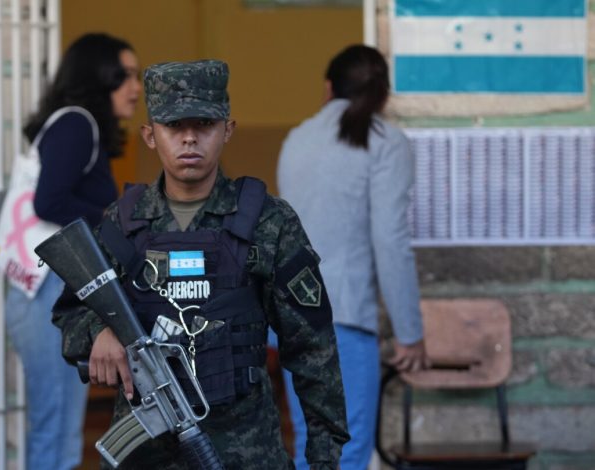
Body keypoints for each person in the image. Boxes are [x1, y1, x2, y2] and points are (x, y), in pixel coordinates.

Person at [51, 59, 349, 469]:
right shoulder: (121, 223)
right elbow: (70, 309)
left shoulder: (268, 221)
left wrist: (324, 458)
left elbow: (314, 351)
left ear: (227, 130)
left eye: (204, 125)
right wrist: (97, 331)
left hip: (244, 451)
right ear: (150, 135)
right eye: (174, 127)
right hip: (144, 454)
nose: (189, 139)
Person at [276, 44, 430, 470]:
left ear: (328, 88)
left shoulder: (297, 139)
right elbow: (390, 239)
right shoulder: (385, 141)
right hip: (344, 318)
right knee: (348, 447)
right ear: (383, 94)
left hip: (293, 318)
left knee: (311, 444)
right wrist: (409, 331)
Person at [4, 32, 141, 470]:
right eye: (126, 76)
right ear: (99, 78)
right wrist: (114, 221)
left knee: (60, 426)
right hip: (48, 291)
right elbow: (49, 202)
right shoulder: (76, 123)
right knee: (56, 426)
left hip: (47, 290)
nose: (136, 87)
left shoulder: (80, 126)